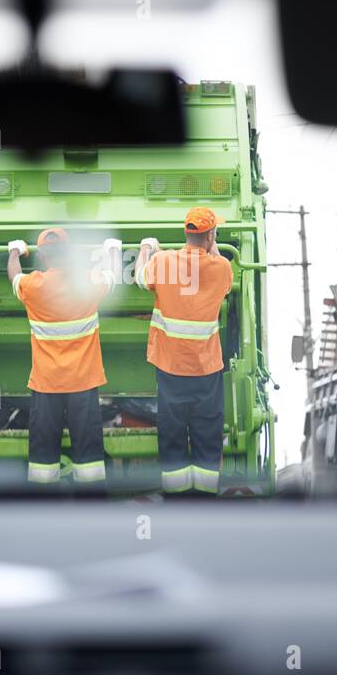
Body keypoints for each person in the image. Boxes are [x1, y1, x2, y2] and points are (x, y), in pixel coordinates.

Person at [8, 228, 121, 489]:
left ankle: (43, 506)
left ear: (43, 256)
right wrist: (113, 249)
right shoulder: (87, 283)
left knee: (43, 453)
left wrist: (15, 251)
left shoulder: (34, 285)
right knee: (89, 453)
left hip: (46, 385)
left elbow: (15, 276)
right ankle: (91, 507)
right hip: (83, 383)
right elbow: (114, 275)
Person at [134, 208, 234, 494]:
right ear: (211, 235)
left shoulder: (163, 262)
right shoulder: (221, 268)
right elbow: (213, 263)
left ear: (186, 232)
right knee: (207, 433)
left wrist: (147, 247)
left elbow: (141, 277)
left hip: (170, 367)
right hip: (206, 369)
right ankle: (204, 500)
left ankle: (176, 499)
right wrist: (211, 244)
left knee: (172, 433)